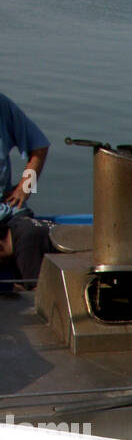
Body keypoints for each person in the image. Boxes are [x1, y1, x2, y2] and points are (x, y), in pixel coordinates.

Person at [0, 93, 51, 292]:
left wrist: (25, 187)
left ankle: (35, 297)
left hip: (7, 208)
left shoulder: (2, 106)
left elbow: (39, 147)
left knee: (33, 232)